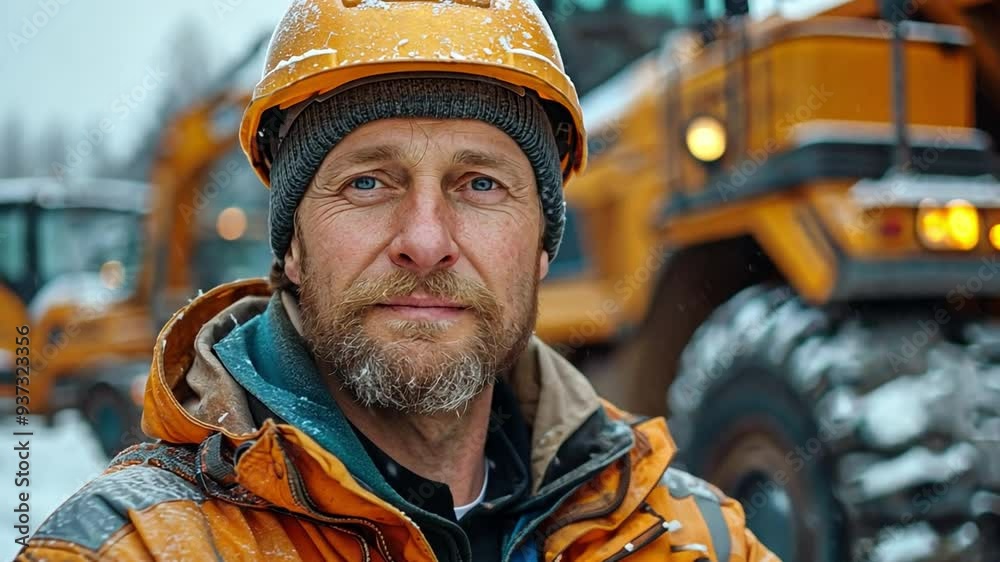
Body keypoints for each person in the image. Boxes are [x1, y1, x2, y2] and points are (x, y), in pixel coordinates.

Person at [19, 1, 778, 560]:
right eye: (367, 184)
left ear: (544, 244)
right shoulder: (131, 547)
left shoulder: (690, 536)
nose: (425, 241)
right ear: (290, 248)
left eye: (480, 184)